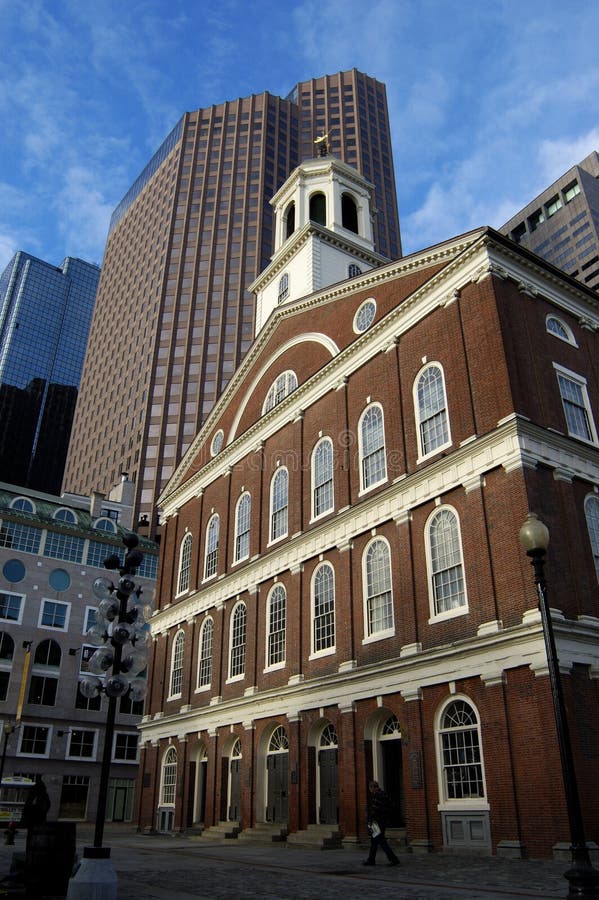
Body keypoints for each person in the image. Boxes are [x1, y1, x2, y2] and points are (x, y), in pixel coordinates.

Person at [363, 780, 400, 866]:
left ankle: (393, 859)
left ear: (372, 787)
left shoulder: (377, 795)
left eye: (370, 789)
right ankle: (371, 859)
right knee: (374, 841)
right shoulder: (384, 794)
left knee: (381, 841)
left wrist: (370, 820)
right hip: (383, 821)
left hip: (376, 822)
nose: (371, 791)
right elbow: (391, 805)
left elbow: (375, 810)